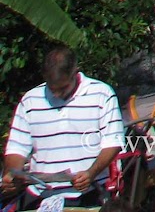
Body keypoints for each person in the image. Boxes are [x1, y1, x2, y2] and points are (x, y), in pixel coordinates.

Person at [2, 46, 122, 206]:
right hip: (41, 196)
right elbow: (17, 148)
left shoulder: (102, 94)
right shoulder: (30, 101)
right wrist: (13, 175)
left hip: (89, 193)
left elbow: (113, 143)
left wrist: (91, 173)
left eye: (63, 88)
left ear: (75, 72)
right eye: (52, 89)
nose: (57, 95)